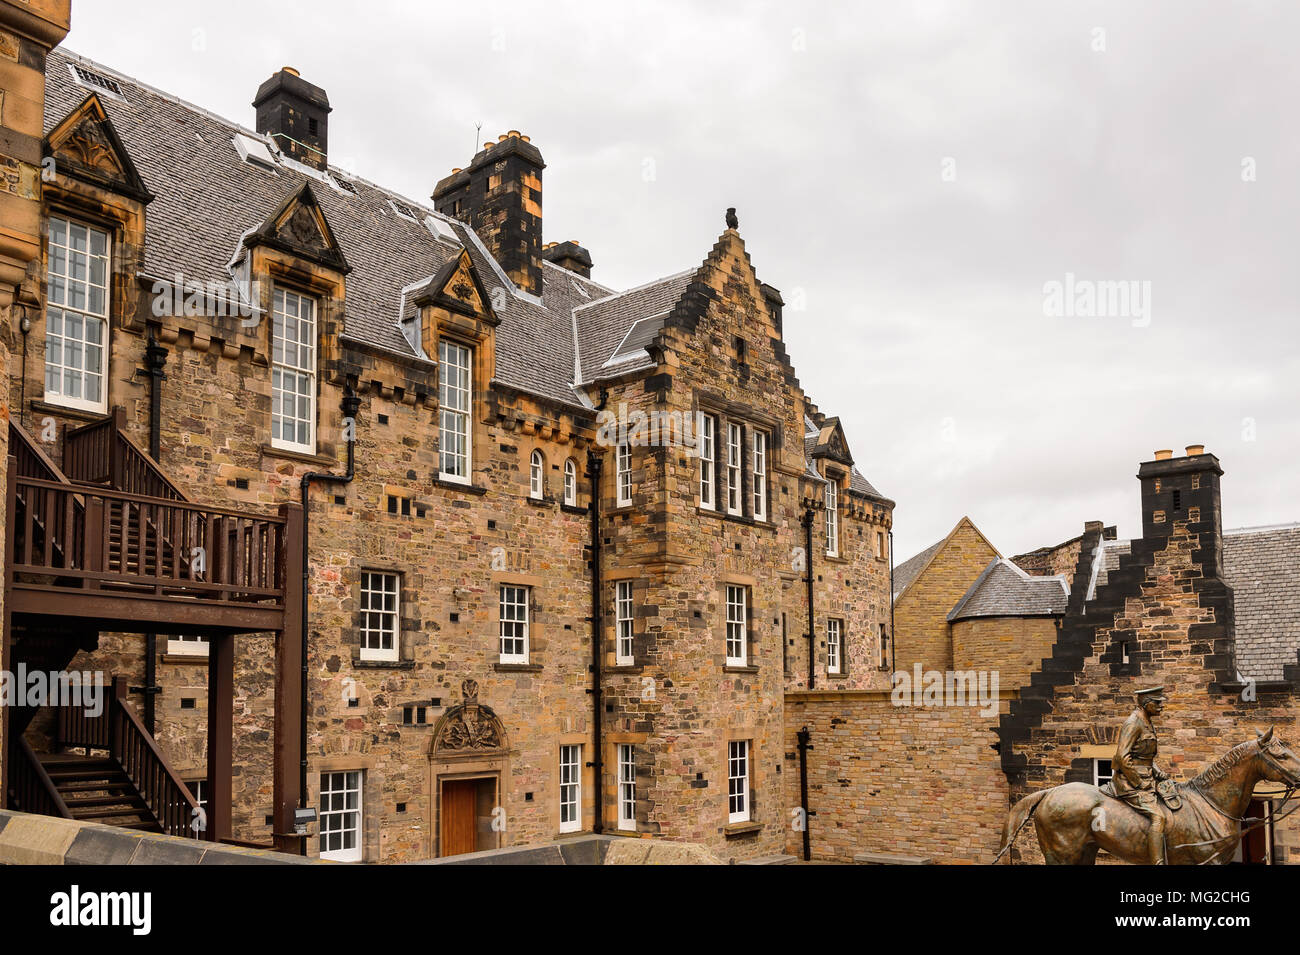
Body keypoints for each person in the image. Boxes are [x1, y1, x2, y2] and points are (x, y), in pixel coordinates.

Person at [1112, 686, 1171, 865]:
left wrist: (1157, 771)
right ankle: (1157, 862)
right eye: (1158, 703)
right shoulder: (1133, 722)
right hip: (1129, 782)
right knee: (1158, 817)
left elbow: (1143, 755)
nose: (1161, 706)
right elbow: (1123, 757)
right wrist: (1138, 783)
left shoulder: (1146, 719)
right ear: (1146, 704)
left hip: (1147, 776)